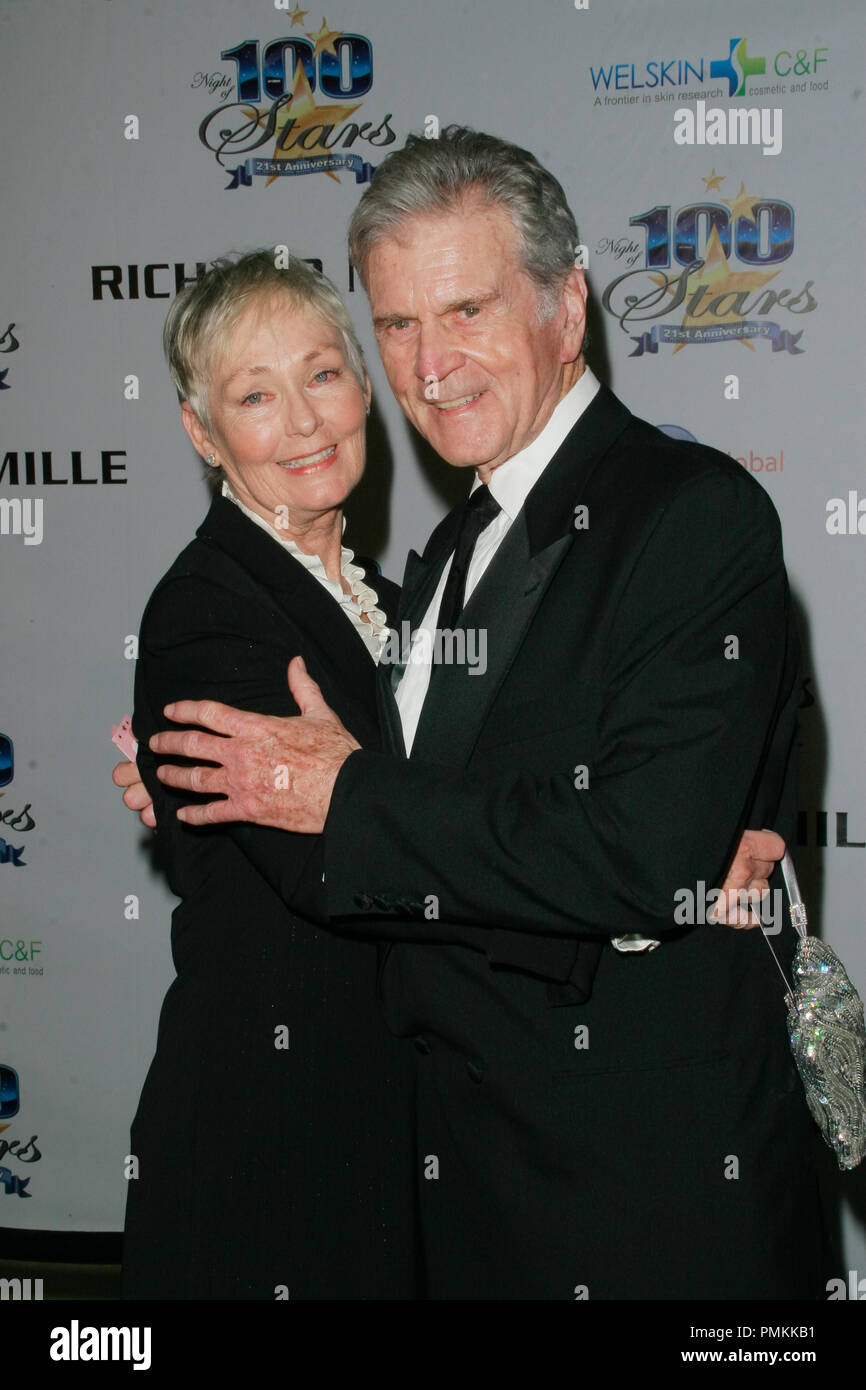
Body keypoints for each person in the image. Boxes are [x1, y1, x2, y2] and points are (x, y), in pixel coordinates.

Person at [117, 130, 824, 1300]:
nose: (428, 364)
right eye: (395, 325)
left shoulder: (688, 513)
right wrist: (213, 796)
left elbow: (639, 846)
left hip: (637, 1198)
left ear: (566, 305)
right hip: (455, 1187)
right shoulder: (443, 550)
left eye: (464, 311)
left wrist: (332, 796)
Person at [120, 250, 418, 1300]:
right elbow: (328, 866)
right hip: (273, 1126)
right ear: (203, 434)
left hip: (389, 1105)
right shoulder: (207, 610)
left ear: (364, 385)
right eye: (254, 395)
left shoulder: (392, 593)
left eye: (322, 374)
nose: (303, 421)